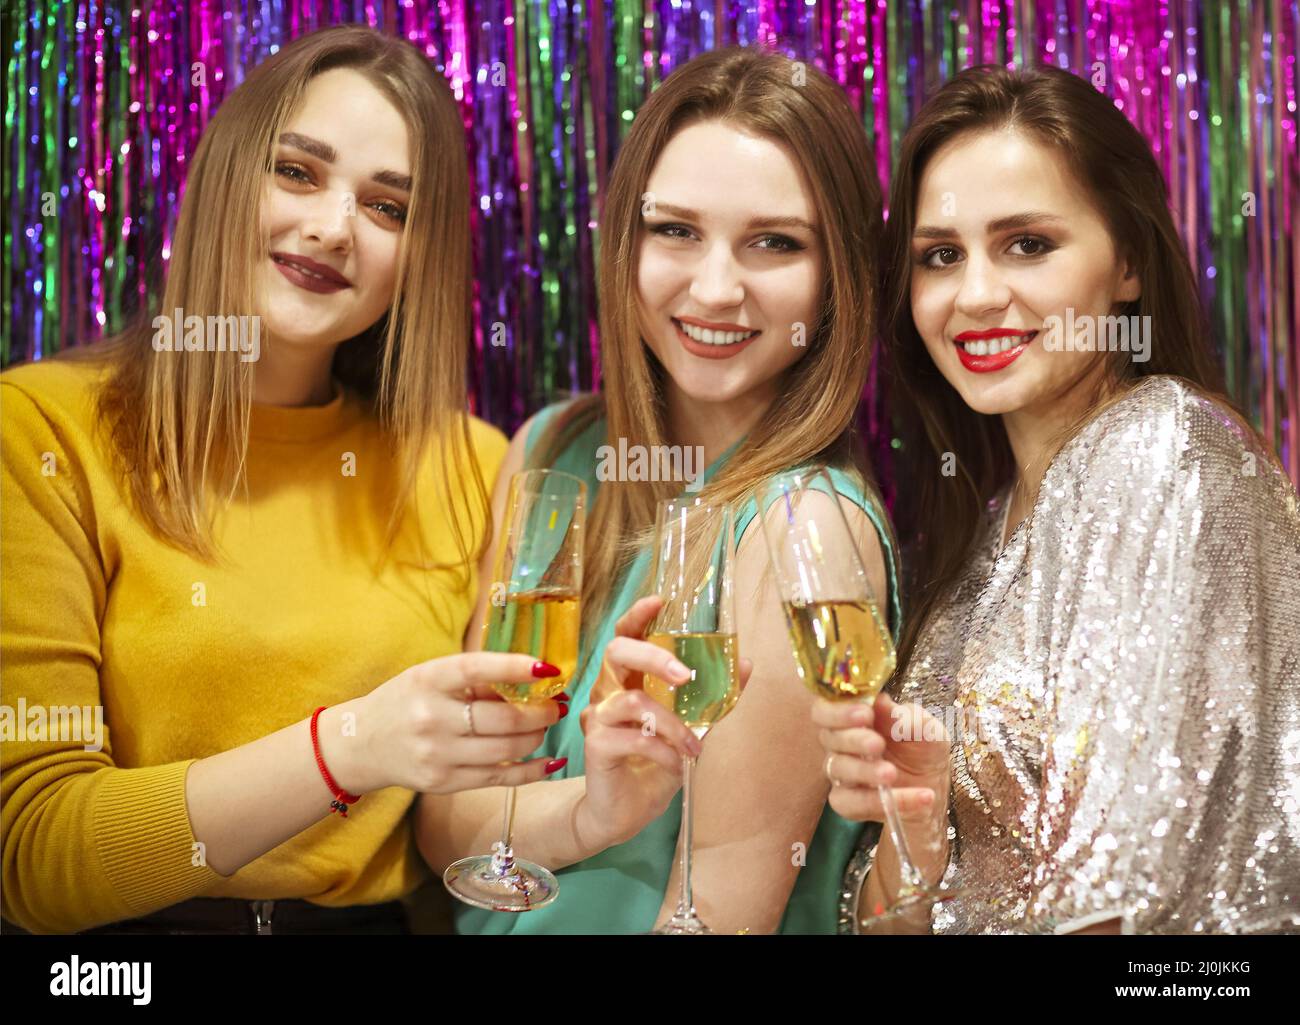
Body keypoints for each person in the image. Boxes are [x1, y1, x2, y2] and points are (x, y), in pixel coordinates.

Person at [0, 25, 572, 935]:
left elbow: (468, 810)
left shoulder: (474, 461)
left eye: (388, 208)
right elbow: (32, 857)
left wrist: (614, 796)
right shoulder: (41, 430)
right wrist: (352, 744)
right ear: (227, 177)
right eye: (298, 172)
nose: (333, 227)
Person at [416, 46, 902, 935]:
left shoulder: (807, 527)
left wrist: (532, 815)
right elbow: (444, 821)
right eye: (675, 230)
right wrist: (594, 814)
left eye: (776, 242)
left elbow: (718, 912)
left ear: (838, 281)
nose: (715, 288)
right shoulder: (555, 450)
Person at [814, 64, 1300, 935]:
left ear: (1128, 267)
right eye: (940, 255)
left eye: (1028, 244)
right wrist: (918, 818)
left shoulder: (1168, 453)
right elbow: (890, 921)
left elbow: (1126, 903)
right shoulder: (981, 533)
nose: (975, 295)